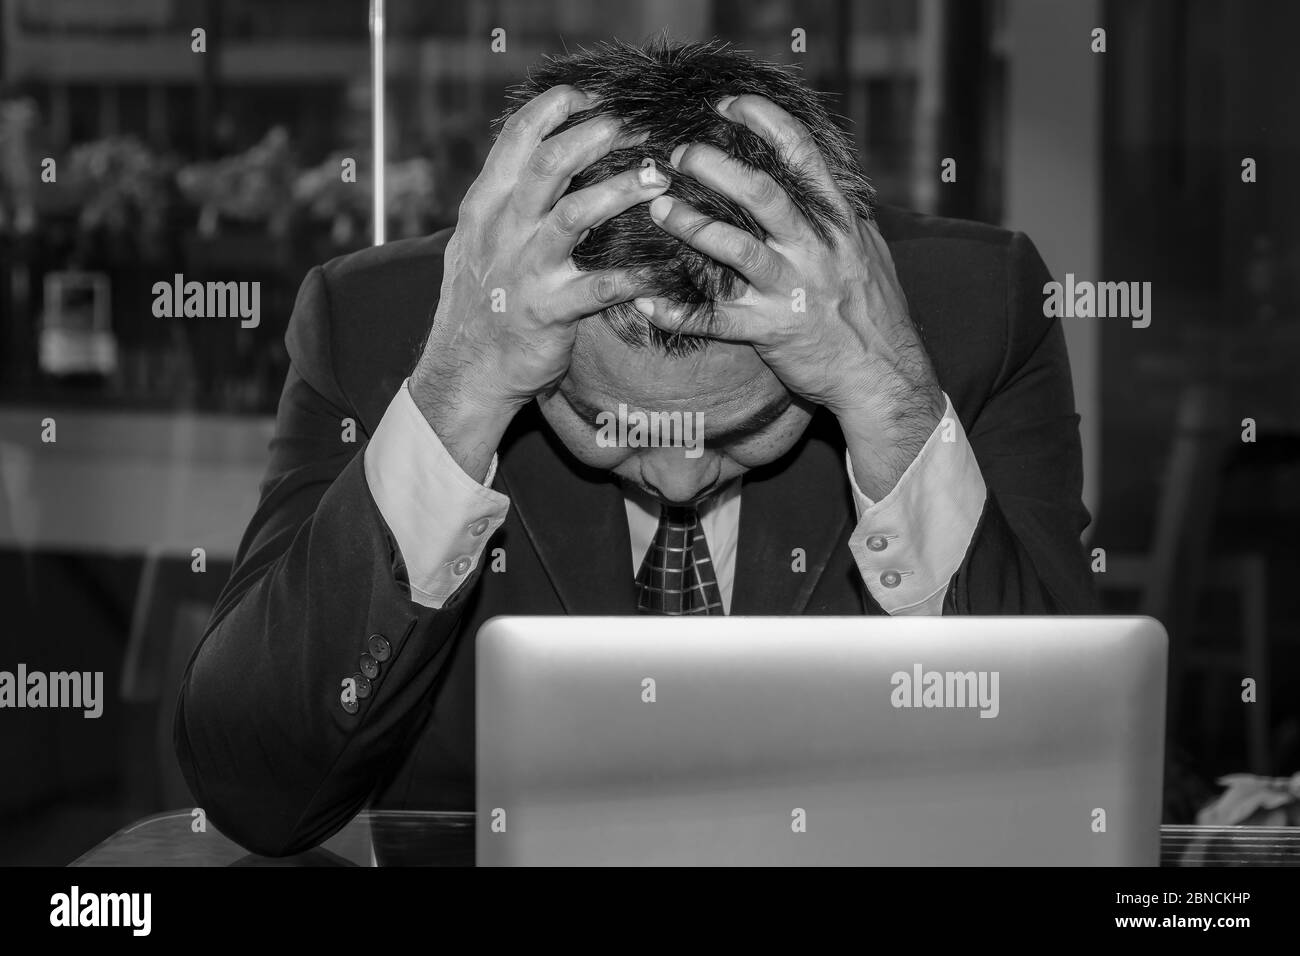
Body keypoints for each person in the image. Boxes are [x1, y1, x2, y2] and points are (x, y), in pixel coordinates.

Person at [174, 39, 1096, 856]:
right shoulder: (382, 332)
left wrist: (893, 402)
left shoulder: (974, 321)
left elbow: (1067, 797)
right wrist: (456, 396)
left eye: (740, 425)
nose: (678, 468)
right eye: (613, 423)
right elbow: (259, 792)